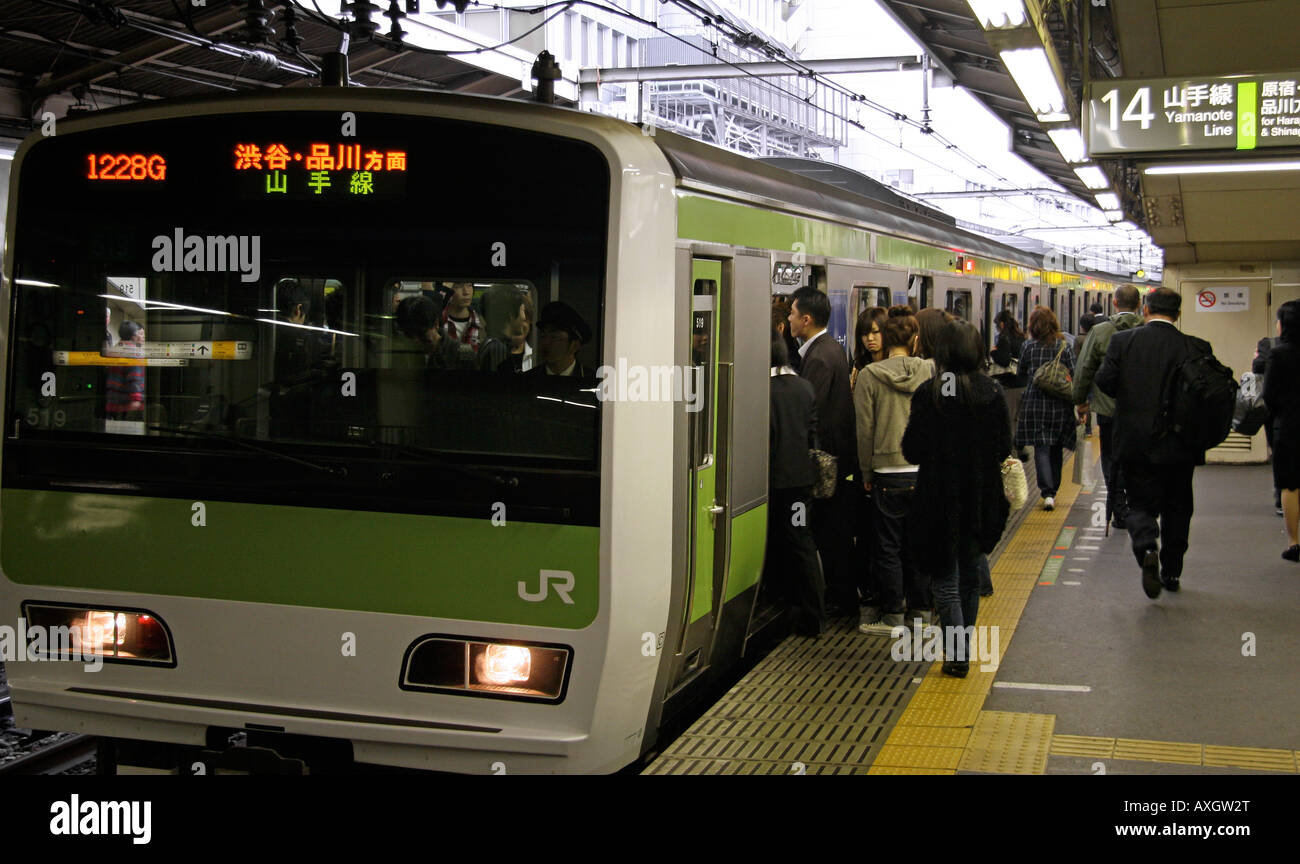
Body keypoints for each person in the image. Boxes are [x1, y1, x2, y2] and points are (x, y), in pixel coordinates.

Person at [902, 320, 1011, 677]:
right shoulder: (992, 393)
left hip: (938, 500)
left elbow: (912, 450)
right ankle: (963, 651)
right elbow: (1002, 449)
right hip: (981, 499)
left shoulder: (928, 394)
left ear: (942, 353)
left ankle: (957, 655)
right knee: (968, 579)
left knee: (943, 580)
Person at [1095, 287, 1211, 597]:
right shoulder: (1196, 347)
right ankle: (1172, 572)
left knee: (1140, 505)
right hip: (1180, 446)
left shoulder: (1123, 342)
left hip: (1135, 443)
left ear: (1146, 310)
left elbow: (1105, 382)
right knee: (1178, 507)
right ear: (1179, 314)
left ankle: (1147, 546)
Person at [854, 307, 933, 635]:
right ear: (914, 339)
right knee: (918, 543)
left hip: (887, 472)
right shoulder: (929, 371)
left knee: (887, 545)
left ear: (885, 339)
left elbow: (864, 430)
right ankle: (922, 613)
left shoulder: (870, 375)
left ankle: (892, 616)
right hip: (922, 471)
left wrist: (866, 473)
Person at [788, 286, 857, 612]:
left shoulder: (819, 359)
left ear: (806, 319)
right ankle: (841, 594)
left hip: (825, 464)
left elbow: (810, 412)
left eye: (791, 313)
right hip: (837, 461)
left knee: (829, 534)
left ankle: (837, 598)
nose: (788, 319)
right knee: (835, 533)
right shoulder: (832, 350)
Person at [767, 329, 827, 636]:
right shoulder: (804, 388)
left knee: (779, 542)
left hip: (772, 484)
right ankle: (813, 613)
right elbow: (812, 432)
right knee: (802, 541)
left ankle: (790, 606)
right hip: (801, 484)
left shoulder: (762, 392)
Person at [1073, 284, 1143, 530]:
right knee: (1136, 457)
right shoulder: (1147, 330)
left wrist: (1080, 400)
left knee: (1111, 459)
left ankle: (1119, 509)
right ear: (1139, 305)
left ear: (1114, 304)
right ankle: (1136, 507)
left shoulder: (1100, 331)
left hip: (1107, 410)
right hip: (1140, 411)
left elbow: (1084, 368)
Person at [1015, 306, 1075, 509]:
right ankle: (1054, 490)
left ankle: (1047, 492)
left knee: (1041, 447)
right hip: (1059, 404)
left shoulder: (1028, 346)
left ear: (1032, 326)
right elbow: (1073, 373)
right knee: (1056, 447)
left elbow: (1021, 372)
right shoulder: (1063, 346)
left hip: (1035, 402)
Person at [1263, 300, 1300, 562]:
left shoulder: (1279, 354)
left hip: (1289, 426)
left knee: (1290, 485)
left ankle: (1294, 542)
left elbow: (1269, 394)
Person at [395, 294, 478, 370]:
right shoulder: (400, 354)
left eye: (421, 333)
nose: (415, 340)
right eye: (409, 335)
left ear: (436, 324)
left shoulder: (464, 352)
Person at [1254, 336, 1281, 516]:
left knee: (1280, 455)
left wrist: (1257, 358)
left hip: (1277, 411)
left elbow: (1257, 368)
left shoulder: (1270, 345)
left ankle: (1282, 498)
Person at [479, 287, 535, 373]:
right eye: (521, 311)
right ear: (510, 314)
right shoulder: (496, 348)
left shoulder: (493, 344)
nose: (524, 317)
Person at [530, 301, 593, 377]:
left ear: (574, 345)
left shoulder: (591, 380)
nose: (545, 342)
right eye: (543, 335)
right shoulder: (527, 381)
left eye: (554, 337)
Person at [106, 320, 146, 418]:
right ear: (134, 335)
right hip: (126, 405)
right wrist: (136, 400)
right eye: (139, 333)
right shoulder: (134, 354)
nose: (142, 337)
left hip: (110, 403)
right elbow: (135, 378)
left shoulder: (112, 351)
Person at [441, 281, 487, 354]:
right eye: (458, 287)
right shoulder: (439, 321)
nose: (466, 292)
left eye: (469, 285)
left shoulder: (479, 323)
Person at [850, 306, 888, 390]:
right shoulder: (858, 367)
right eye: (864, 334)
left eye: (875, 332)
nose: (870, 338)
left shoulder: (895, 366)